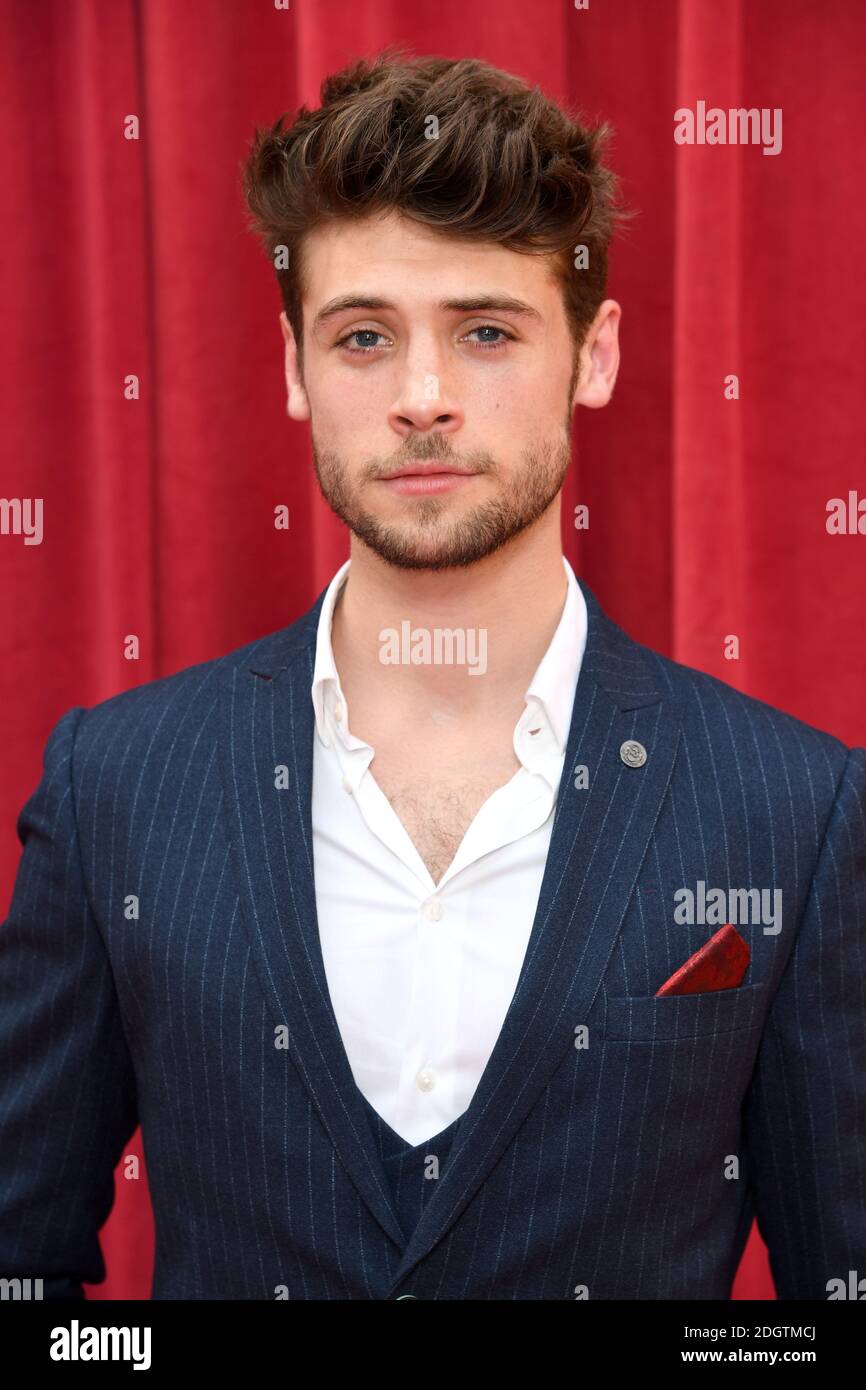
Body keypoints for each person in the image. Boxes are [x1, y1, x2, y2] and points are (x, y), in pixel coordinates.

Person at [1, 48, 863, 1302]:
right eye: (362, 336)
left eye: (484, 332)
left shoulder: (793, 811)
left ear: (594, 353)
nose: (421, 398)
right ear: (296, 368)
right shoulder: (115, 787)